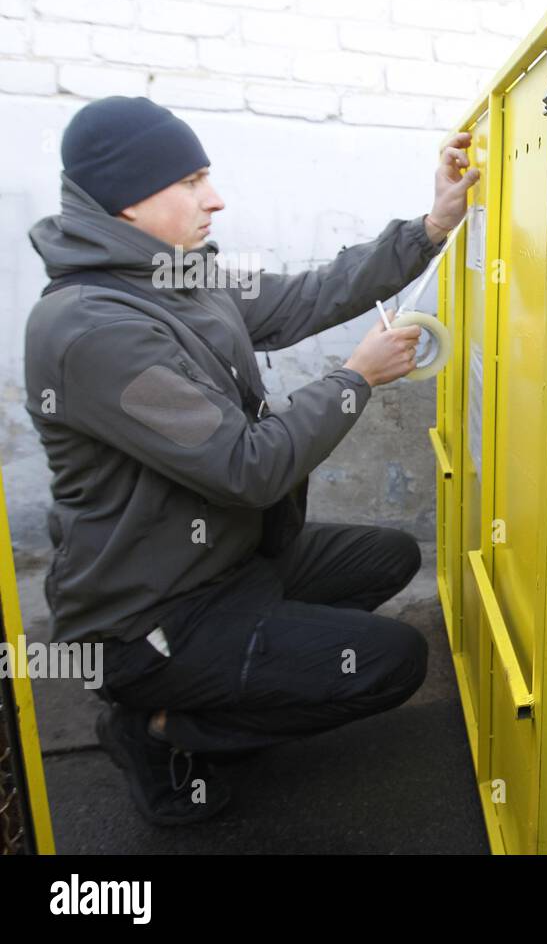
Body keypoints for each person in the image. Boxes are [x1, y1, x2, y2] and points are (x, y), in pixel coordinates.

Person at [23, 96, 480, 826]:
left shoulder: (180, 276)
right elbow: (248, 467)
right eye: (192, 181)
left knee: (387, 557)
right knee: (394, 661)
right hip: (149, 612)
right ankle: (156, 729)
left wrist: (433, 227)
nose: (217, 198)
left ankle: (247, 677)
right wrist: (355, 378)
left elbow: (303, 298)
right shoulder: (92, 329)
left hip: (224, 563)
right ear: (126, 201)